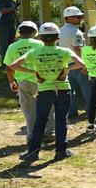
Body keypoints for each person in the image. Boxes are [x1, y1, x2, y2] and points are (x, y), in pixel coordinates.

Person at [8, 22, 83, 162]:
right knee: (61, 120)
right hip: (62, 89)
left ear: (41, 38)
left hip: (45, 90)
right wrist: (66, 70)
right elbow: (81, 63)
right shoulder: (64, 51)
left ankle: (33, 152)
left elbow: (13, 65)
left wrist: (34, 72)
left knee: (40, 121)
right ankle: (61, 151)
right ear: (58, 38)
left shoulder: (34, 52)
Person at [4, 20, 44, 138]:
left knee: (29, 110)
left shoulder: (12, 46)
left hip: (23, 82)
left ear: (20, 33)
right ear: (34, 32)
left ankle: (32, 134)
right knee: (47, 107)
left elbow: (9, 68)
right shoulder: (40, 44)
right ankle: (48, 132)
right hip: (41, 80)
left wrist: (12, 82)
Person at [60, 6, 90, 122]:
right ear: (69, 18)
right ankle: (91, 109)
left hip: (67, 63)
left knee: (70, 89)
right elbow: (78, 49)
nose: (80, 19)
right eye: (77, 17)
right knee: (87, 88)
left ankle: (71, 110)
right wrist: (84, 63)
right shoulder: (76, 32)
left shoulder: (61, 30)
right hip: (77, 63)